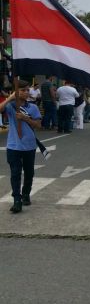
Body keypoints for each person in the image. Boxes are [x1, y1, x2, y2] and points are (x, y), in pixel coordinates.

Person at [0, 81, 42, 213]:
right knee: (15, 173)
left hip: (29, 145)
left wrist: (25, 118)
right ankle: (16, 200)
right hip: (13, 146)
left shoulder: (33, 107)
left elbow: (38, 125)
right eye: (23, 90)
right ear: (16, 91)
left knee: (29, 172)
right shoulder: (11, 106)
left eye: (27, 90)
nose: (26, 92)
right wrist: (10, 98)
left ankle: (26, 194)